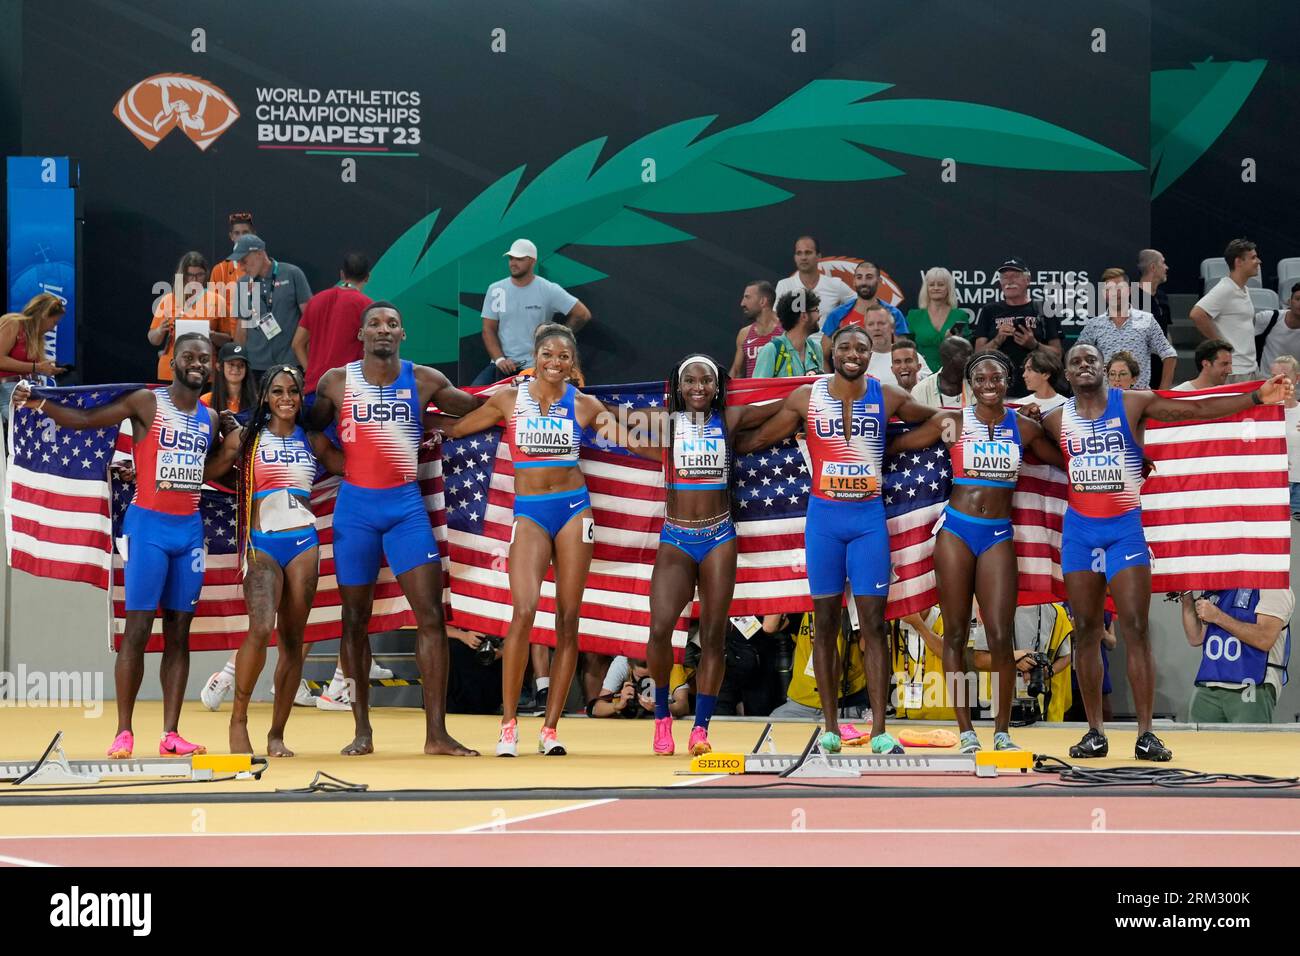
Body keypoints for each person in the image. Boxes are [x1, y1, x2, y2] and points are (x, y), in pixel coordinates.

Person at [1036, 343, 1292, 760]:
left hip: (1124, 533)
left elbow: (1193, 411)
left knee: (1136, 627)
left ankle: (1145, 734)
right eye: (1075, 362)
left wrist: (1255, 397)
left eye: (1091, 360)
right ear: (1066, 374)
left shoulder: (1132, 402)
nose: (1084, 366)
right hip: (1080, 534)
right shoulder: (1056, 418)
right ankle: (1095, 732)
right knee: (1086, 630)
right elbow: (1024, 436)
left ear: (1104, 367)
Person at [12, 334, 230, 757]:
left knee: (179, 633)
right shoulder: (147, 403)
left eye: (204, 358)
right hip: (148, 527)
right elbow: (85, 419)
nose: (197, 363)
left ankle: (170, 734)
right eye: (188, 356)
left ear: (213, 367)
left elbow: (213, 468)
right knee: (138, 629)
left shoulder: (213, 418)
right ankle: (124, 731)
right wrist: (38, 401)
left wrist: (236, 438)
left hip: (189, 533)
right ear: (173, 361)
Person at [735, 324, 940, 754]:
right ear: (832, 352)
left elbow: (935, 419)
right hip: (824, 521)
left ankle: (879, 730)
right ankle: (829, 728)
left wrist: (899, 448)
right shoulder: (808, 396)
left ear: (871, 354)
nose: (852, 353)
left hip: (868, 522)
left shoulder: (887, 396)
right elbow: (760, 437)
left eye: (861, 348)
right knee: (824, 626)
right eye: (845, 347)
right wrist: (715, 441)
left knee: (874, 628)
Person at [305, 301, 482, 757]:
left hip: (405, 508)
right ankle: (361, 730)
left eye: (393, 324)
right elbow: (305, 425)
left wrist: (523, 395)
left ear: (403, 334)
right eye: (376, 324)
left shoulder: (424, 380)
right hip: (356, 511)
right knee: (354, 621)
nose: (384, 329)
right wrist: (333, 461)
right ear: (361, 335)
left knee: (431, 617)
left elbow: (477, 413)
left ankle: (436, 734)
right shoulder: (337, 381)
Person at [436, 324, 621, 756]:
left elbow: (633, 438)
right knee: (522, 611)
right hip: (531, 513)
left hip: (575, 509)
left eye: (563, 357)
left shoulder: (585, 404)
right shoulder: (508, 398)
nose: (555, 362)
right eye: (548, 355)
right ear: (534, 358)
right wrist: (427, 428)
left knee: (568, 618)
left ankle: (551, 729)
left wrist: (676, 444)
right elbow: (462, 427)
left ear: (572, 363)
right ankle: (508, 725)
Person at [887, 350, 1060, 752]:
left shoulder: (1023, 426)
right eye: (980, 378)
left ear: (1007, 381)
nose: (988, 384)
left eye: (996, 377)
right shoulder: (954, 423)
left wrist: (1124, 459)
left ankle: (1001, 732)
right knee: (957, 633)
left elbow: (1063, 458)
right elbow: (900, 446)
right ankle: (966, 731)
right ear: (969, 384)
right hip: (957, 533)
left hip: (998, 534)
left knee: (1000, 635)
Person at [617, 354, 780, 755]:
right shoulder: (665, 425)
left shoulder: (730, 420)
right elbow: (612, 417)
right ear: (677, 386)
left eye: (706, 381)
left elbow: (781, 408)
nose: (699, 387)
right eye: (690, 380)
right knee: (659, 629)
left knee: (712, 638)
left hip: (719, 537)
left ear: (717, 386)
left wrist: (816, 391)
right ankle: (661, 716)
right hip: (676, 538)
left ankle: (701, 730)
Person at [206, 366, 344, 755]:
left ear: (302, 397)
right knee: (261, 627)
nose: (287, 398)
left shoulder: (312, 439)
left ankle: (277, 733)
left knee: (294, 640)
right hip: (262, 543)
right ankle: (239, 720)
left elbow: (349, 465)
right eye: (279, 391)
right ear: (266, 397)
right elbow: (207, 470)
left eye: (294, 392)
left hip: (303, 542)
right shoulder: (246, 439)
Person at [473, 238, 592, 386]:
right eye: (511, 258)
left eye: (519, 259)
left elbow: (582, 314)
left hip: (537, 367)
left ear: (532, 261)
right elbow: (488, 329)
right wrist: (500, 359)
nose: (513, 263)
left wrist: (559, 337)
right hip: (502, 365)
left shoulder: (548, 289)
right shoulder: (496, 290)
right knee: (473, 397)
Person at [1181, 588, 1292, 723]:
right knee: (1197, 743)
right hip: (1209, 681)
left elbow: (1264, 638)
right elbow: (1196, 637)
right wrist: (1186, 595)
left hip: (1252, 684)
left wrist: (1218, 616)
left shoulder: (1274, 587)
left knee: (1248, 744)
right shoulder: (1221, 581)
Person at [974, 257, 1062, 394]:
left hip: (1038, 391)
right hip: (998, 389)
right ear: (1000, 283)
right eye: (1005, 277)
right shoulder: (989, 311)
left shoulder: (1044, 308)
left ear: (1027, 280)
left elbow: (1058, 354)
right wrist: (997, 340)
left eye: (1015, 276)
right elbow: (977, 356)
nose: (1009, 281)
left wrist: (1034, 345)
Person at [1076, 268, 1176, 388]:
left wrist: (1164, 391)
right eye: (1110, 289)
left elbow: (1169, 354)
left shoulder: (1145, 320)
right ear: (1104, 293)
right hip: (1106, 399)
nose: (1115, 292)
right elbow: (1076, 356)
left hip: (1140, 399)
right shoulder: (1094, 325)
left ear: (1128, 291)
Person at [292, 252, 372, 400]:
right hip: (348, 393)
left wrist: (311, 371)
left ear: (342, 274)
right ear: (367, 277)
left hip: (314, 389)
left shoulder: (316, 300)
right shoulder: (367, 307)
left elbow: (297, 343)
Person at [231, 235, 312, 380]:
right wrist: (238, 360)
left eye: (244, 261)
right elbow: (242, 327)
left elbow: (310, 319)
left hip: (290, 363)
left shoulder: (292, 274)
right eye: (239, 263)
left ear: (259, 253)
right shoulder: (243, 284)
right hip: (255, 366)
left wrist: (309, 360)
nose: (242, 267)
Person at [148, 252, 231, 382]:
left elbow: (228, 340)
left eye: (199, 275)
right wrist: (160, 330)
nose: (194, 280)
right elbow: (153, 339)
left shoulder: (217, 300)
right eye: (190, 275)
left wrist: (212, 335)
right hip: (171, 371)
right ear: (182, 275)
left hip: (204, 371)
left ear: (206, 274)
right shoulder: (168, 300)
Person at [1189, 238, 1262, 382]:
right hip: (1235, 371)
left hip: (1249, 368)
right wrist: (1219, 344)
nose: (1258, 261)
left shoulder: (1244, 289)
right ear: (1238, 262)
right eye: (1253, 257)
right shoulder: (1225, 289)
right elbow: (1197, 314)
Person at [0, 293, 67, 421]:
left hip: (25, 391)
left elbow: (35, 367)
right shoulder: (13, 323)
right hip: (7, 392)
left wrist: (51, 369)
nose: (53, 328)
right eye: (54, 322)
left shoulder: (36, 338)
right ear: (44, 315)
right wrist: (37, 367)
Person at [820, 261, 910, 346]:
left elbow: (902, 353)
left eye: (869, 277)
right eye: (859, 277)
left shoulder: (894, 314)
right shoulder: (837, 315)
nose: (864, 282)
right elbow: (823, 356)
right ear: (854, 281)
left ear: (879, 281)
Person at [773, 235, 855, 321]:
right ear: (795, 257)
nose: (803, 257)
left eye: (808, 252)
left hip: (825, 334)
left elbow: (861, 304)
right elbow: (776, 320)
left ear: (818, 256)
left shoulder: (835, 285)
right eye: (799, 253)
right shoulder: (784, 285)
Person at [588, 656, 691, 719]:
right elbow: (597, 708)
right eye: (641, 677)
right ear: (630, 667)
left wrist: (659, 708)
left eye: (652, 675)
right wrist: (617, 706)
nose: (646, 682)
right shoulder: (621, 663)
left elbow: (684, 706)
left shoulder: (672, 664)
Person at [752, 290, 823, 378]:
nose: (820, 316)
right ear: (804, 316)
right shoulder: (771, 350)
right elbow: (759, 390)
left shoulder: (816, 348)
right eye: (816, 310)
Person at [905, 267, 965, 370]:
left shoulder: (959, 315)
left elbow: (965, 351)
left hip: (951, 371)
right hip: (920, 373)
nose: (936, 288)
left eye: (941, 284)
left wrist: (952, 342)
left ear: (948, 288)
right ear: (926, 288)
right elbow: (906, 348)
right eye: (931, 285)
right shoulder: (914, 316)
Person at [856, 303, 930, 384]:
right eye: (871, 324)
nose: (876, 328)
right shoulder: (859, 359)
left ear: (892, 328)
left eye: (881, 323)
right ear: (865, 329)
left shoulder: (911, 355)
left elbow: (929, 387)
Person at [729, 280, 780, 378]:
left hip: (781, 392)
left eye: (747, 297)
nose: (742, 303)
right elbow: (736, 372)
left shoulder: (786, 330)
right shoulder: (744, 334)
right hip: (754, 393)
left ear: (762, 301)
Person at [1270, 355, 1300, 518]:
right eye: (1274, 376)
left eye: (1285, 375)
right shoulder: (1260, 414)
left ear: (1297, 378)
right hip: (1270, 485)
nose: (1279, 380)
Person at [209, 211, 255, 313]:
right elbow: (212, 309)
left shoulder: (264, 268)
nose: (241, 237)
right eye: (237, 233)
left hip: (256, 327)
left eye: (245, 233)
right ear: (231, 236)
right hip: (227, 329)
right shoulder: (219, 270)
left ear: (253, 235)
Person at [911, 335, 974, 408]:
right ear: (947, 358)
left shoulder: (977, 387)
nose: (971, 359)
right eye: (965, 355)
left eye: (971, 354)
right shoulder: (921, 390)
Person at [1255, 282, 1300, 373]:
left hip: (1295, 385)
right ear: (1289, 302)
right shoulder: (1269, 318)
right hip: (1266, 381)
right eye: (1298, 299)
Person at [201, 342, 256, 413]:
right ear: (218, 367)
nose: (236, 369)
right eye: (231, 364)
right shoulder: (206, 400)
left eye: (241, 365)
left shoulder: (256, 401)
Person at [1018, 348, 1067, 413]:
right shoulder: (1020, 405)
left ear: (1046, 374)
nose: (1024, 375)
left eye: (1029, 370)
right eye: (1025, 370)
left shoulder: (1066, 405)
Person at [1136, 248, 1171, 339]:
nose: (1166, 267)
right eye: (1163, 263)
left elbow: (1166, 331)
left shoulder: (1162, 297)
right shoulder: (1133, 298)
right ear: (1153, 267)